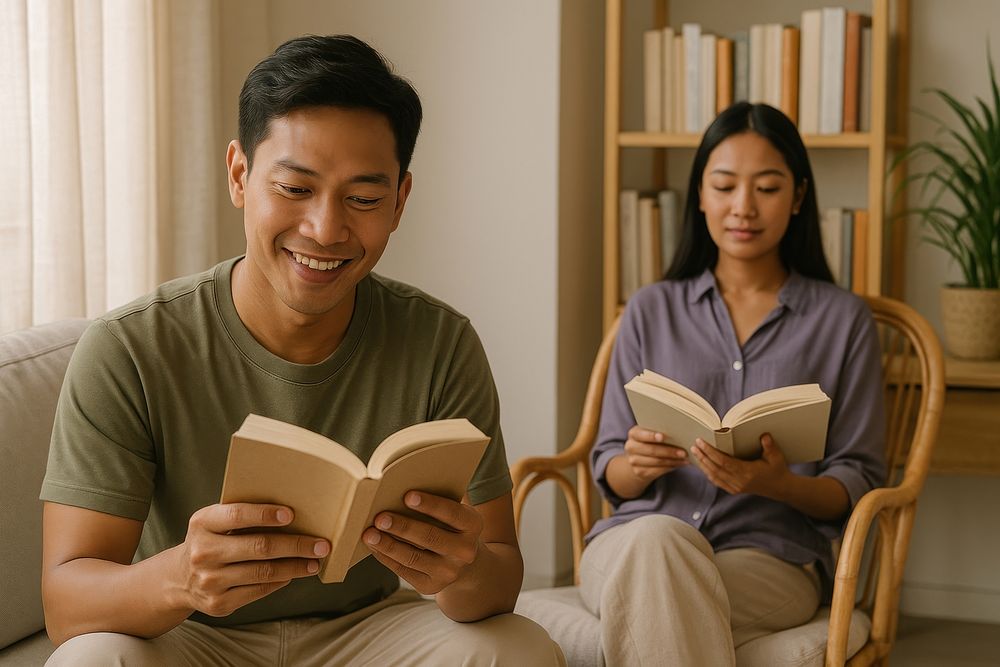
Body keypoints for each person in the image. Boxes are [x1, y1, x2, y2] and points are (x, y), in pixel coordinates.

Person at [39, 34, 564, 666]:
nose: (325, 229)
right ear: (240, 175)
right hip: (190, 633)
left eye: (363, 199)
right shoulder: (129, 348)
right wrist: (182, 577)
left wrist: (462, 569)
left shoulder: (441, 343)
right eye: (294, 188)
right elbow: (67, 605)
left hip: (367, 631)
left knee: (520, 649)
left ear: (400, 201)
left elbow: (499, 578)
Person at [578, 102, 886, 665]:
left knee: (664, 585)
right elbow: (609, 466)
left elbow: (858, 478)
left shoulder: (843, 321)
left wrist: (778, 484)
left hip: (768, 558)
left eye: (766, 188)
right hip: (635, 539)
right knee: (658, 546)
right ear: (700, 194)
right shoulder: (650, 309)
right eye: (724, 186)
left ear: (798, 196)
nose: (743, 206)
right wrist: (637, 463)